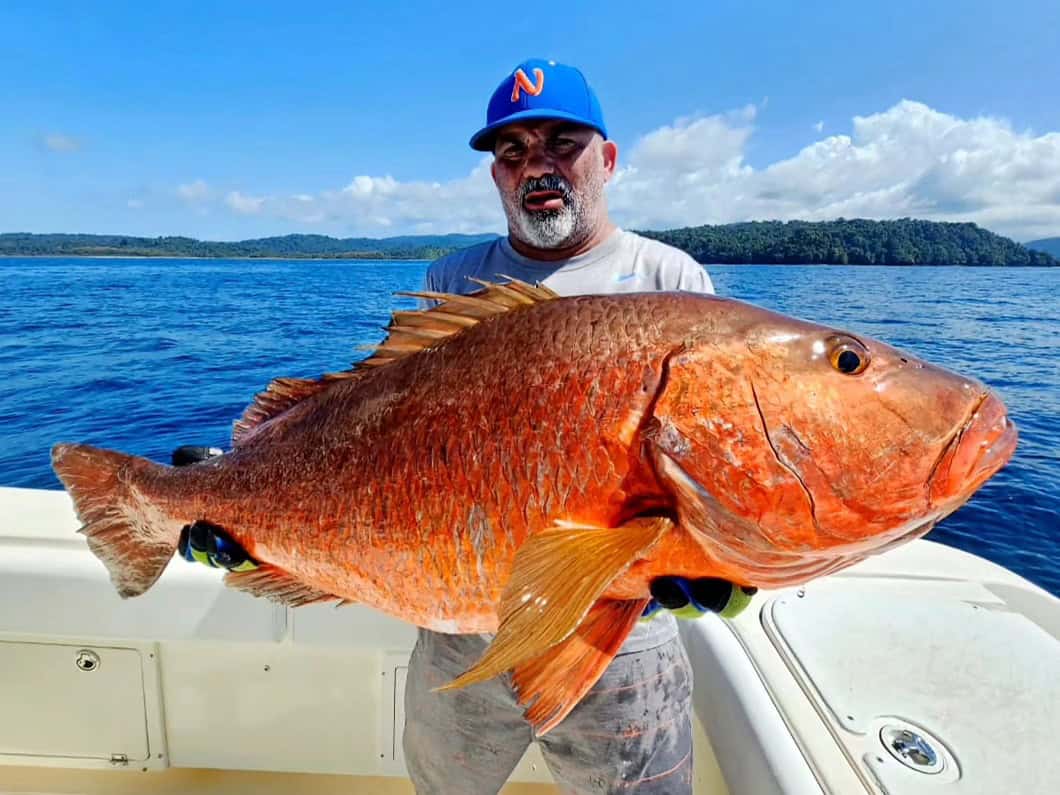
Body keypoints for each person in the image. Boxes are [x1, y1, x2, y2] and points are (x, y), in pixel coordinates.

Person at [401, 58, 724, 795]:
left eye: (562, 144)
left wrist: (722, 555)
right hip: (464, 623)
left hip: (623, 630)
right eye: (513, 151)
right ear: (496, 176)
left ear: (606, 159)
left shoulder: (671, 279)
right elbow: (393, 433)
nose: (536, 166)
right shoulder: (452, 280)